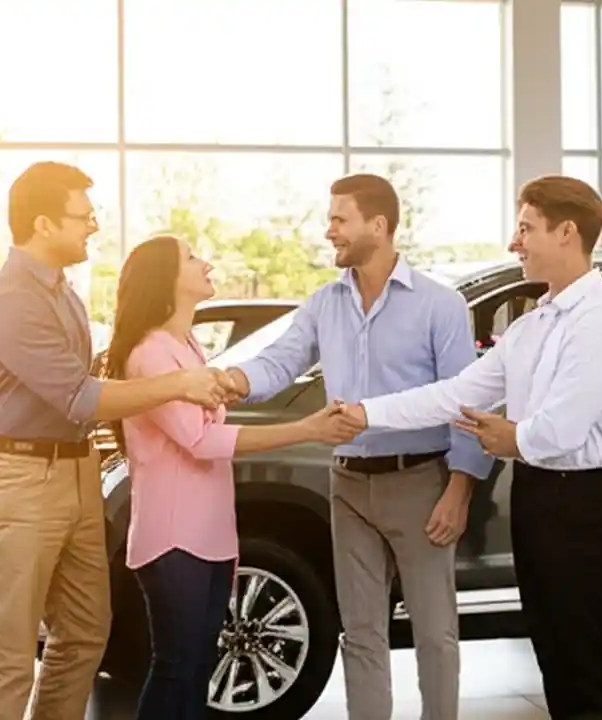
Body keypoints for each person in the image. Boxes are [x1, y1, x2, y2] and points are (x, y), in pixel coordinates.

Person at [336, 175, 602, 720]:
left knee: (594, 662)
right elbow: (455, 394)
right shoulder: (533, 326)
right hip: (537, 496)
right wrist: (366, 413)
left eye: (526, 228)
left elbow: (561, 431)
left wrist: (511, 437)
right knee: (558, 660)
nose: (514, 242)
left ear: (566, 232)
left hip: (582, 502)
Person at [0, 162, 234, 720]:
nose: (93, 225)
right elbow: (80, 397)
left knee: (85, 633)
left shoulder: (64, 293)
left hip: (77, 472)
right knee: (10, 652)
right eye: (82, 216)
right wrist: (179, 384)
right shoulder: (12, 300)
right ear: (42, 224)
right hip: (22, 481)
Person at [224, 174, 493, 719]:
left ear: (379, 225)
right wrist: (228, 380)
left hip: (420, 484)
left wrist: (460, 490)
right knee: (361, 631)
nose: (329, 231)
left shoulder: (439, 305)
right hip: (348, 484)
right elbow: (279, 362)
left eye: (339, 219)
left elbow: (469, 403)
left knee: (435, 632)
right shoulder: (325, 303)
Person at [105, 235, 363, 719]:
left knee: (199, 665)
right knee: (178, 665)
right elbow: (201, 440)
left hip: (210, 535)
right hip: (174, 538)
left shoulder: (186, 346)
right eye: (191, 258)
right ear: (165, 279)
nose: (205, 263)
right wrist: (306, 429)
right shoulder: (150, 354)